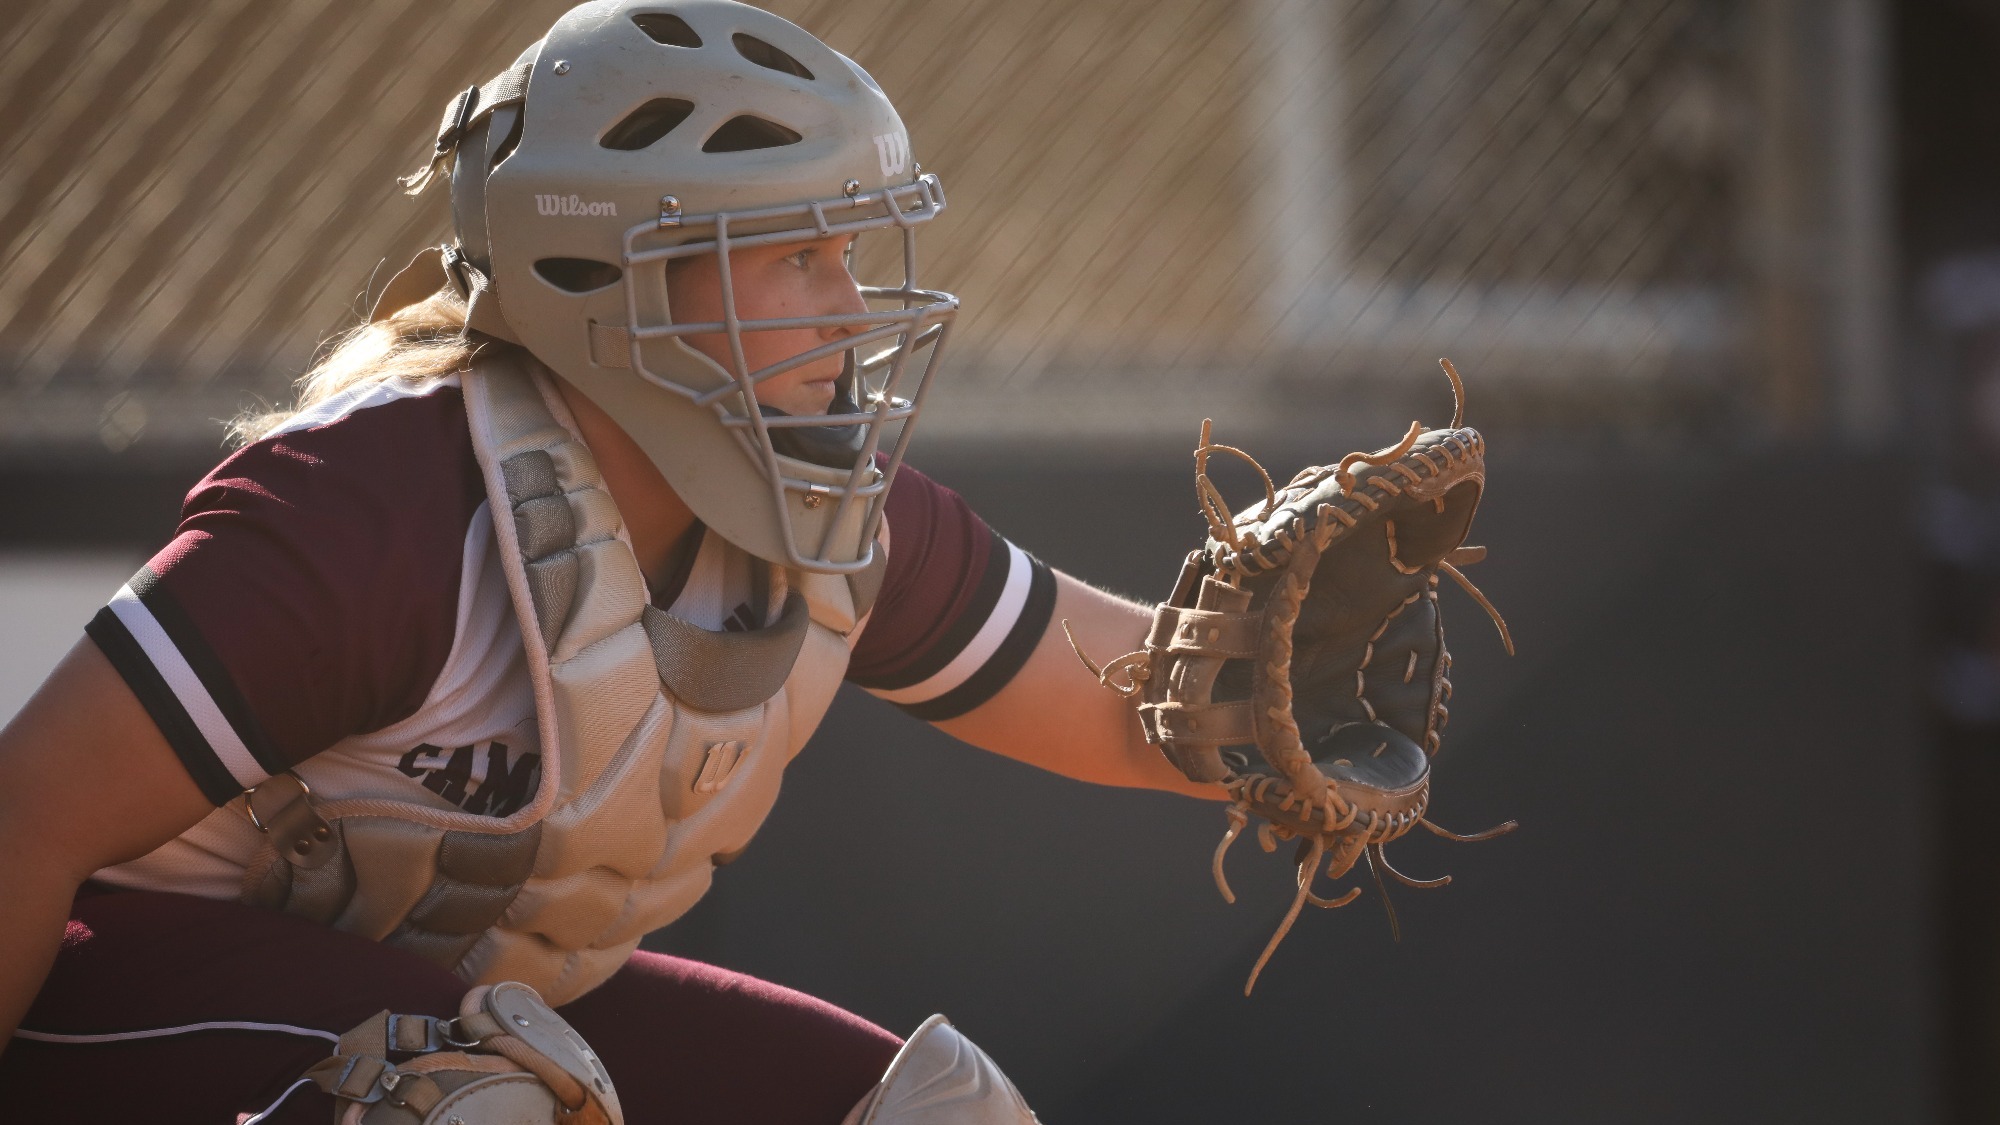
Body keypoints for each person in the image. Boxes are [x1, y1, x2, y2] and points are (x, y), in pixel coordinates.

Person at [0, 2, 1215, 1122]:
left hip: (464, 1015)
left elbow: (1128, 704)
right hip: (125, 992)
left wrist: (1279, 693)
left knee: (933, 1116)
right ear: (615, 271)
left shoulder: (822, 505)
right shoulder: (380, 510)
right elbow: (27, 817)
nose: (850, 311)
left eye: (851, 253)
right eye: (801, 255)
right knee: (468, 1107)